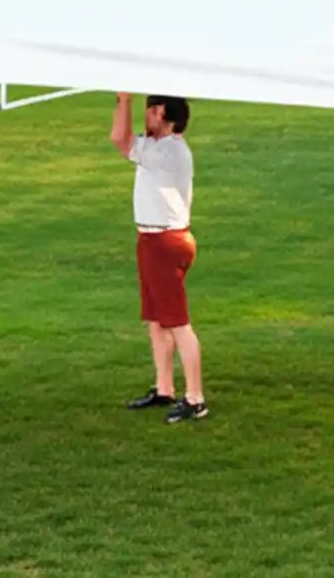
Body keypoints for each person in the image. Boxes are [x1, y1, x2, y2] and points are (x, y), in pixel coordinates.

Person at [110, 92, 207, 424]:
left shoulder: (165, 150)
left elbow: (118, 139)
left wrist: (123, 100)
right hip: (155, 241)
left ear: (165, 115)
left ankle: (195, 398)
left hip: (164, 243)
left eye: (150, 111)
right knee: (157, 320)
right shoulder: (164, 148)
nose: (145, 117)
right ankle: (164, 387)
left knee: (178, 323)